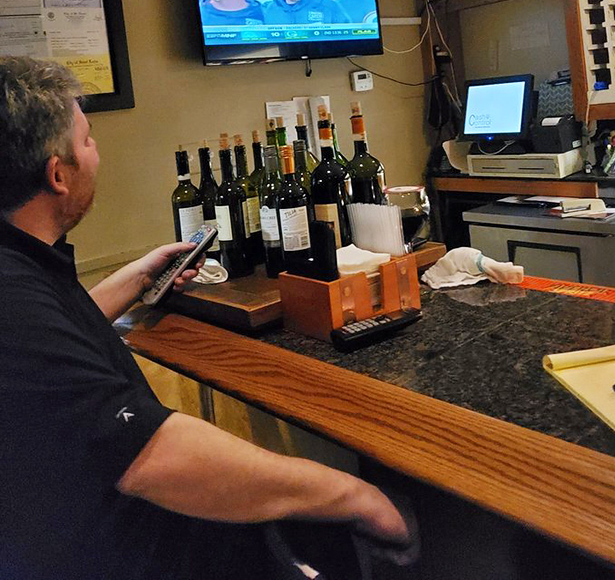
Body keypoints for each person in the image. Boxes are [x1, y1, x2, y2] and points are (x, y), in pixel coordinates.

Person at [0, 56, 415, 580]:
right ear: (57, 175)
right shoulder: (11, 299)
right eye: (87, 141)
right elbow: (155, 457)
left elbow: (63, 330)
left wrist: (140, 275)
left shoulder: (20, 260)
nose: (97, 152)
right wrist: (357, 495)